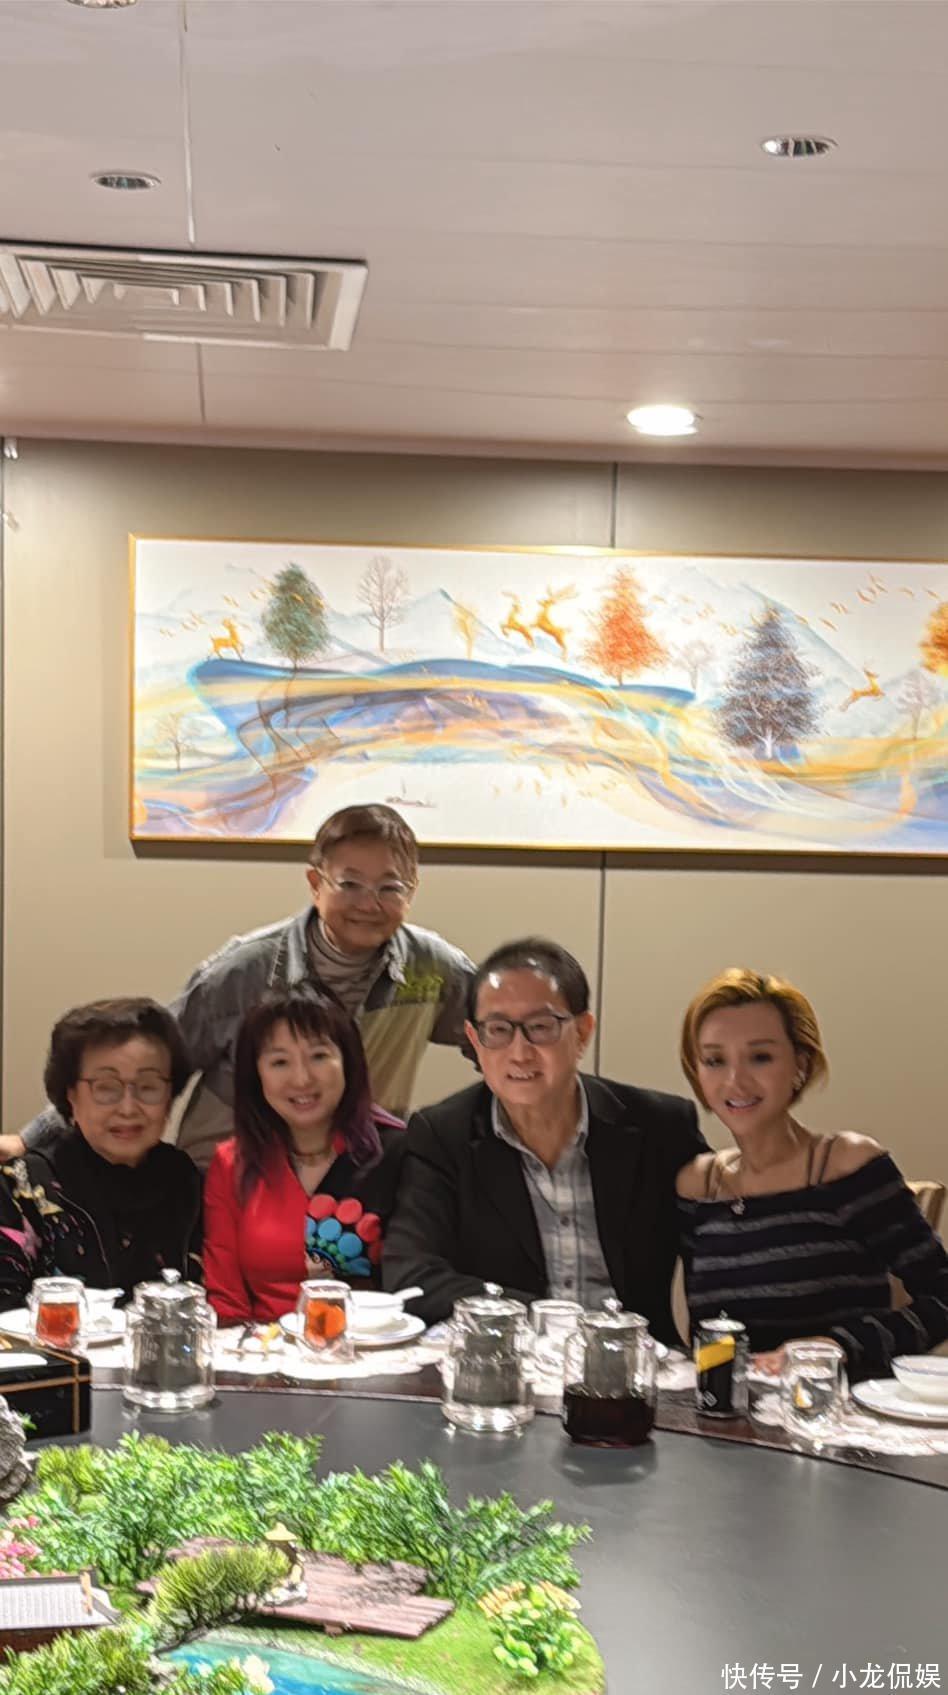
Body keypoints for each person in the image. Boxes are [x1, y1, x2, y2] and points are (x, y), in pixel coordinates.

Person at [6, 803, 474, 1170]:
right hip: (229, 1181)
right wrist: (31, 1141)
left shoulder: (430, 967)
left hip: (351, 1188)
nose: (369, 905)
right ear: (315, 883)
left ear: (412, 891)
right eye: (349, 884)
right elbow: (154, 1059)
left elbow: (499, 1036)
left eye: (390, 888)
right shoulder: (246, 971)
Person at [383, 938, 706, 1340]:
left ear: (582, 1032)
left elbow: (722, 1250)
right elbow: (412, 1275)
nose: (520, 1053)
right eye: (498, 1030)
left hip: (638, 1364)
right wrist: (550, 1320)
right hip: (511, 1362)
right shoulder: (443, 1134)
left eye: (540, 1027)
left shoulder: (660, 1127)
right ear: (475, 1040)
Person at [676, 967, 948, 1379]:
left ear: (800, 1064)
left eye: (760, 1057)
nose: (735, 1080)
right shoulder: (697, 1186)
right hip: (725, 1410)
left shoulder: (848, 1166)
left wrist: (837, 1347)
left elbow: (942, 1298)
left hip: (834, 1408)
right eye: (715, 1060)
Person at [203, 986, 405, 1326]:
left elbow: (414, 1280)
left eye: (319, 1056)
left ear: (348, 1061)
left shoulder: (395, 1154)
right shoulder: (231, 1164)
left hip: (371, 1345)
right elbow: (225, 1301)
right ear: (256, 1074)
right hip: (262, 1349)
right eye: (280, 1062)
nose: (302, 1078)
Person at [0, 998, 201, 1309]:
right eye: (106, 1087)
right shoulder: (20, 1187)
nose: (128, 1108)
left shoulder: (184, 1178)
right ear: (71, 1095)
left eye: (148, 1086)